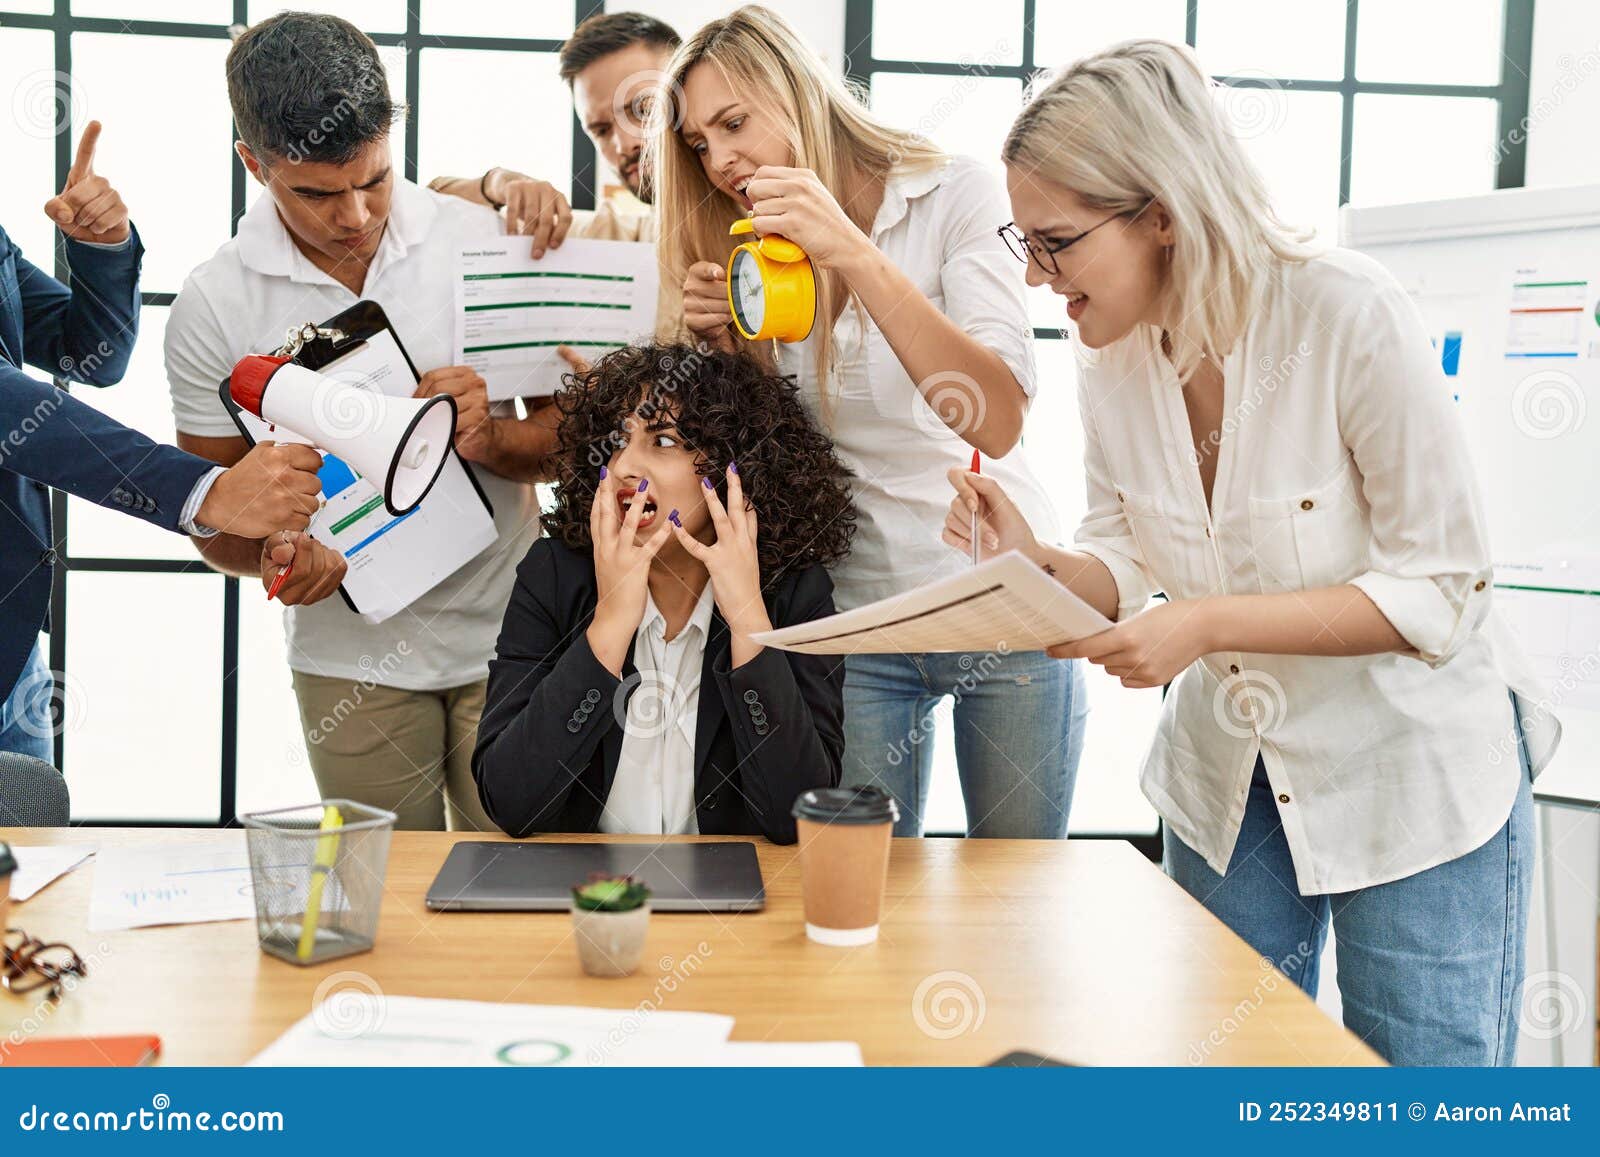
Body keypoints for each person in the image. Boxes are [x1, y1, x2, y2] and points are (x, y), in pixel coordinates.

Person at [943, 39, 1558, 1065]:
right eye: (1025, 240)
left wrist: (1203, 623)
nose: (1033, 275)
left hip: (1409, 777)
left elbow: (1441, 588)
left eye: (1056, 242)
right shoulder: (1112, 350)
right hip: (1232, 774)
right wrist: (1036, 562)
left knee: (1423, 1100)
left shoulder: (1344, 312)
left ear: (1162, 213)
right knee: (1229, 1086)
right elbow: (1121, 552)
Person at [657, 5, 1085, 839]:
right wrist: (727, 350)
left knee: (1024, 884)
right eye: (700, 144)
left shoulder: (955, 193)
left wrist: (852, 251)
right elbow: (779, 466)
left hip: (1000, 594)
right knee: (864, 883)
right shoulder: (754, 250)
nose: (719, 160)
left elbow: (994, 419)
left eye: (734, 124)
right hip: (854, 618)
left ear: (800, 92)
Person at [165, 13, 556, 831]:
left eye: (374, 179)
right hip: (350, 664)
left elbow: (569, 442)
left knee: (517, 885)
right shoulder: (212, 304)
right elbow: (211, 518)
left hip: (515, 632)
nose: (354, 214)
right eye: (316, 192)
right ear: (253, 163)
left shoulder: (478, 238)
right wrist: (273, 557)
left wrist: (493, 437)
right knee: (380, 893)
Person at [0, 121, 322, 765]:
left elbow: (92, 356)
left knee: (35, 830)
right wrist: (203, 489)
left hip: (13, 645)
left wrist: (104, 249)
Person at [473, 342, 853, 844]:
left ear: (733, 468)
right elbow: (510, 802)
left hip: (728, 889)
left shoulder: (794, 590)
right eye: (618, 441)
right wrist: (610, 626)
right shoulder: (555, 575)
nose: (625, 467)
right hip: (590, 885)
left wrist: (747, 623)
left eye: (665, 441)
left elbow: (799, 817)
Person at [428, 10, 684, 341]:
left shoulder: (750, 226)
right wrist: (497, 183)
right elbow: (427, 206)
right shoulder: (621, 240)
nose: (625, 144)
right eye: (601, 130)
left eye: (642, 110)